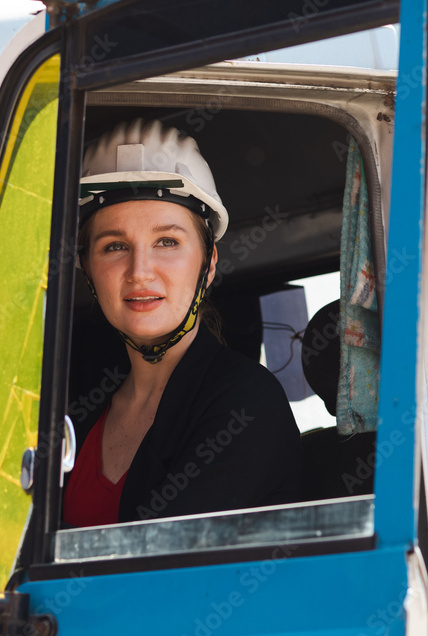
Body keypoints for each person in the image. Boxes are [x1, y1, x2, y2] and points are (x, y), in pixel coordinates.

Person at [62, 118, 302, 528]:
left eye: (167, 242)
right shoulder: (80, 408)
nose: (140, 271)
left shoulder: (247, 404)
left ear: (207, 266)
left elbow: (160, 579)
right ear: (88, 269)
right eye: (114, 246)